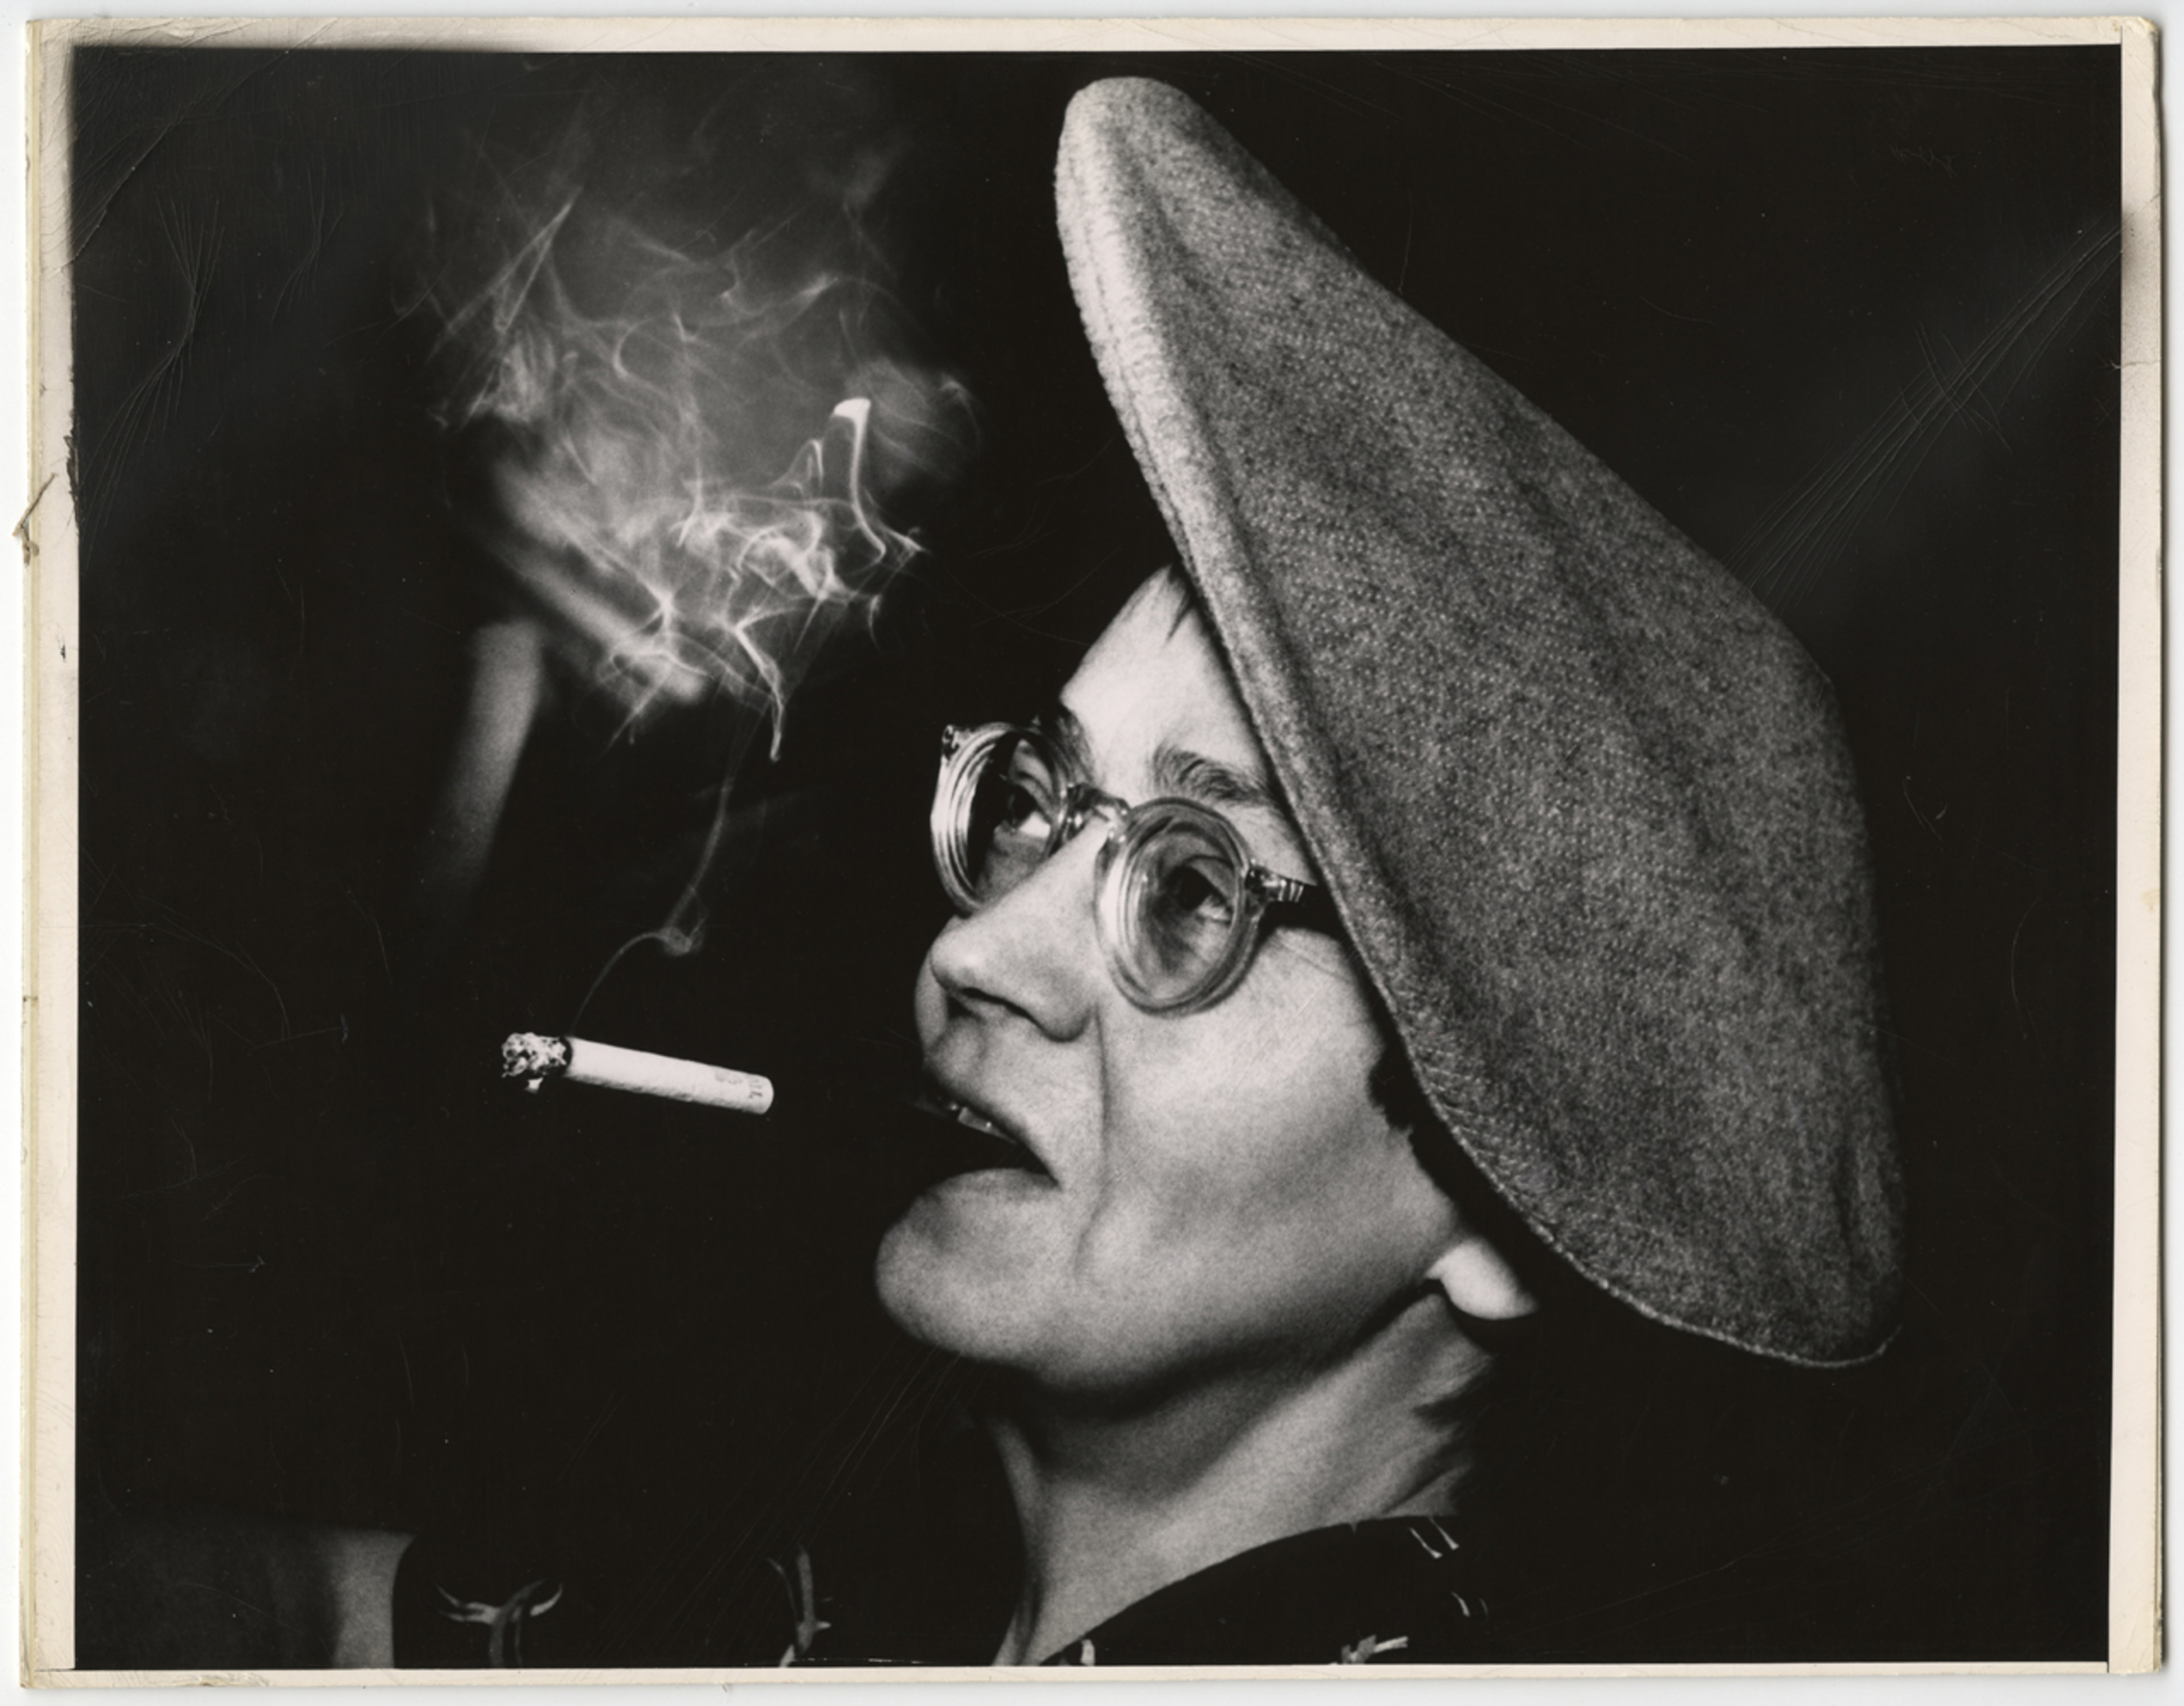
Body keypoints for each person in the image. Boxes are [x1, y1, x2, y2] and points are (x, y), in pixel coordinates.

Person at [80, 76, 1903, 1671]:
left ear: (1513, 1217)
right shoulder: (874, 1598)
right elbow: (308, 1618)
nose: (978, 951)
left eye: (1186, 888)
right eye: (1039, 800)